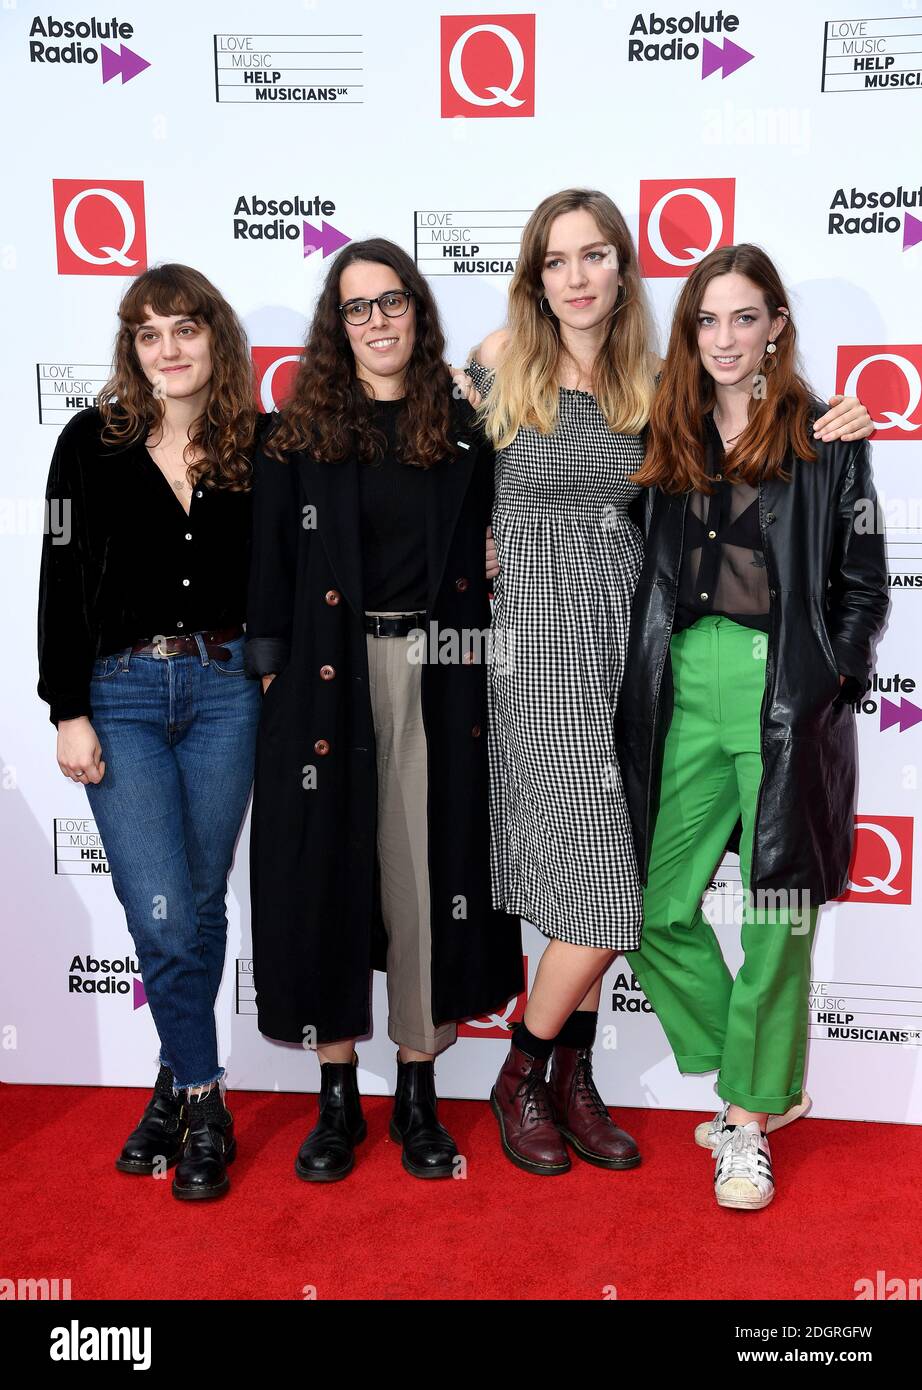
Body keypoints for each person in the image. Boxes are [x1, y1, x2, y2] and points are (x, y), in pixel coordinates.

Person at [460, 188, 873, 1177]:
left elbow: (846, 573)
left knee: (716, 893)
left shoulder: (659, 391)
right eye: (556, 259)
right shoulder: (491, 363)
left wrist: (823, 676)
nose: (575, 276)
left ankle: (606, 1082)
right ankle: (533, 1069)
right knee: (615, 889)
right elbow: (434, 480)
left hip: (651, 659)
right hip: (558, 653)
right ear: (534, 275)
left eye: (594, 255)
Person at [244, 237, 522, 1182]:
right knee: (323, 880)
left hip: (435, 675)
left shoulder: (462, 427)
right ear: (337, 324)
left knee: (422, 883)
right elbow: (271, 572)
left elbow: (501, 532)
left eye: (392, 302)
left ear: (417, 309)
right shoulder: (294, 435)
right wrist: (275, 684)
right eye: (357, 307)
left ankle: (415, 1086)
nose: (377, 322)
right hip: (325, 680)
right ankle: (335, 1099)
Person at [618, 243, 889, 1210]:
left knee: (778, 905)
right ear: (688, 332)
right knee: (648, 907)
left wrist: (830, 679)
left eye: (744, 317)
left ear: (776, 323)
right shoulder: (665, 430)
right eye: (707, 320)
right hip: (681, 682)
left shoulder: (829, 435)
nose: (725, 338)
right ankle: (760, 1076)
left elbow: (862, 585)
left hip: (784, 687)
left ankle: (744, 1122)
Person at [38, 263, 263, 1201]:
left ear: (217, 338)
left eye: (186, 329)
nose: (168, 348)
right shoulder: (85, 444)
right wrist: (67, 708)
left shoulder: (262, 445)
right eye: (149, 332)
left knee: (203, 904)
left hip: (226, 693)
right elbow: (56, 570)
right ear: (133, 348)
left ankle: (171, 1083)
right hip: (120, 697)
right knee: (162, 910)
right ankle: (208, 1098)